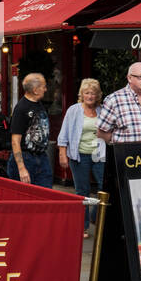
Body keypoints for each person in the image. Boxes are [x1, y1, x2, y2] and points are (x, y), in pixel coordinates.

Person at [58, 78, 107, 237]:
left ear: (98, 95)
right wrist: (62, 154)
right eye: (87, 93)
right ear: (82, 94)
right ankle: (83, 226)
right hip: (79, 155)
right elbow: (63, 133)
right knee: (82, 191)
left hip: (99, 155)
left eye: (93, 93)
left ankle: (94, 217)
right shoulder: (74, 110)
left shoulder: (102, 110)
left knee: (104, 187)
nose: (90, 96)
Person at [8, 73, 52, 188]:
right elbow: (15, 140)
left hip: (42, 157)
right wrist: (21, 168)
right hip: (26, 158)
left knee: (45, 197)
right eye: (43, 86)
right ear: (35, 90)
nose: (46, 89)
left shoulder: (39, 104)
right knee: (24, 199)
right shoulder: (21, 108)